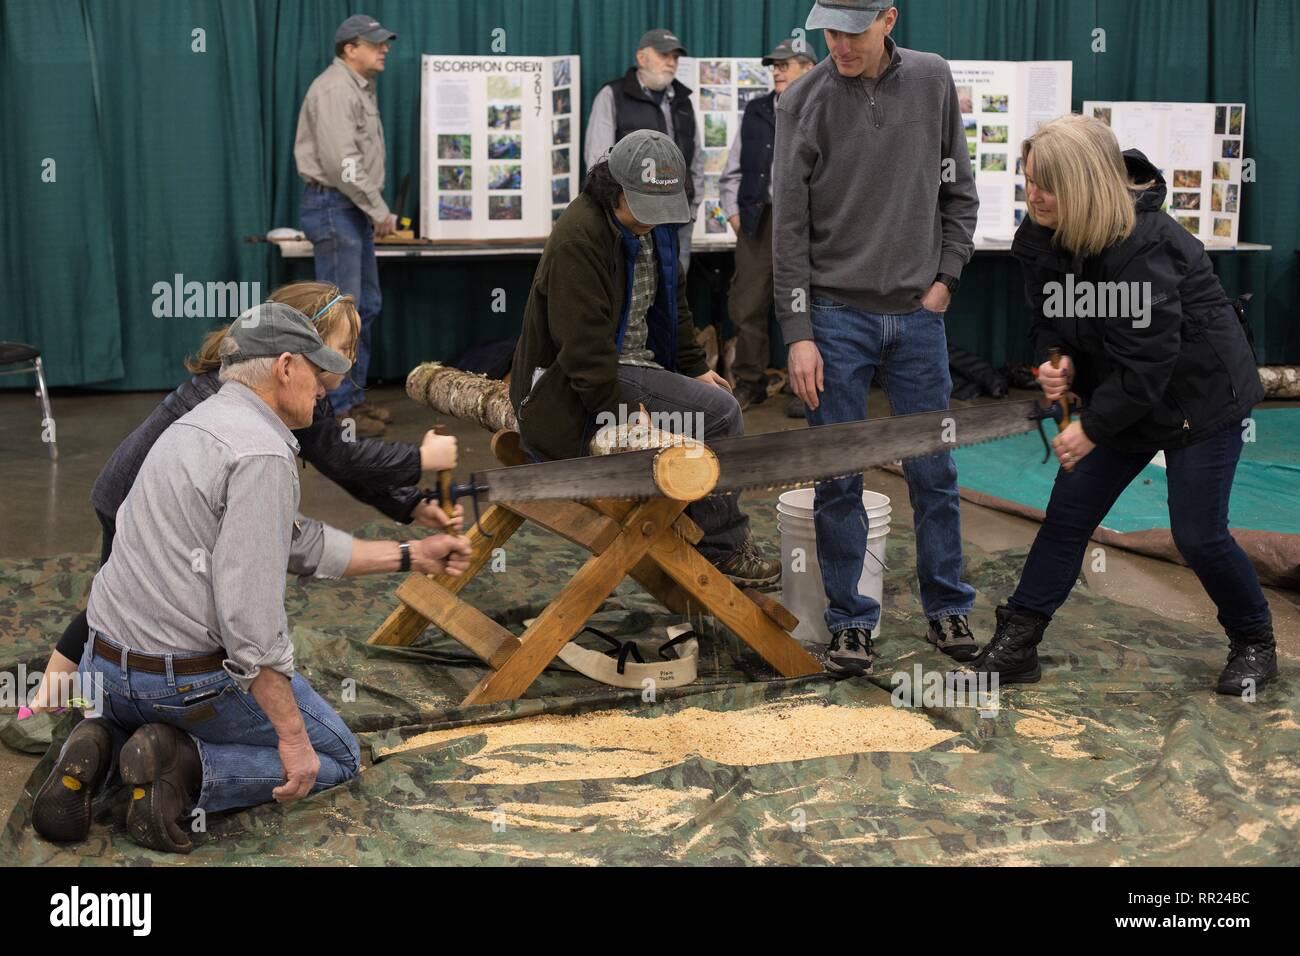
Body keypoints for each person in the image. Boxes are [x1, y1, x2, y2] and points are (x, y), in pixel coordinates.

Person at [31, 303, 473, 853]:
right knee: (335, 756)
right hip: (176, 685)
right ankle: (184, 766)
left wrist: (413, 554)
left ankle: (102, 739)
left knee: (170, 693)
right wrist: (292, 738)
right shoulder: (261, 453)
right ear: (285, 367)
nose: (323, 390)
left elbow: (297, 542)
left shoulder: (193, 421)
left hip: (106, 671)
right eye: (316, 372)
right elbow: (251, 626)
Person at [21, 281, 461, 720]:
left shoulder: (274, 380)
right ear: (296, 349)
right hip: (133, 499)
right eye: (344, 347)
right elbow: (342, 457)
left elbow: (333, 457)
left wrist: (410, 504)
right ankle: (65, 703)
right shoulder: (261, 387)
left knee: (121, 600)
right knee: (119, 603)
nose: (350, 359)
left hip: (132, 492)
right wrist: (420, 458)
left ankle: (76, 698)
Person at [969, 115, 1274, 696]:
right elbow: (1048, 319)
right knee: (1067, 516)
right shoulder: (1038, 236)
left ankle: (1255, 640)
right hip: (1124, 390)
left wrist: (1090, 430)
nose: (1033, 195)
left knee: (1198, 534)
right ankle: (1019, 643)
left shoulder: (1146, 245)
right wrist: (1054, 360)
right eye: (1028, 180)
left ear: (1084, 185)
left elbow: (1150, 363)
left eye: (1047, 185)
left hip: (1198, 398)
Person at [773, 0, 981, 674]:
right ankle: (851, 623)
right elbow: (789, 228)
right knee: (838, 478)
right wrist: (800, 331)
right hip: (834, 317)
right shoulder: (802, 100)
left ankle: (948, 605)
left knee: (935, 471)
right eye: (828, 32)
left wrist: (945, 278)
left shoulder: (932, 79)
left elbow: (959, 188)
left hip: (920, 315)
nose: (839, 45)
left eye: (852, 32)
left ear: (889, 20)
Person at [510, 129, 780, 588]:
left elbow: (671, 304)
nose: (653, 221)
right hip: (574, 386)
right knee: (720, 414)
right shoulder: (580, 238)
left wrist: (695, 366)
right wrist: (617, 412)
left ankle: (688, 524)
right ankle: (722, 547)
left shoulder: (654, 232)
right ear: (614, 191)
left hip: (631, 364)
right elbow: (581, 349)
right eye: (644, 209)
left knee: (711, 398)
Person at [294, 13, 397, 435]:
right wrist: (377, 209)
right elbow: (343, 165)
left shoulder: (357, 87)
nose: (383, 48)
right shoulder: (336, 88)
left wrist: (368, 209)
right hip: (337, 207)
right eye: (374, 43)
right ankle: (334, 411)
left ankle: (350, 399)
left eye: (383, 42)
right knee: (339, 318)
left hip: (348, 209)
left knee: (362, 308)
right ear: (349, 49)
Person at [718, 37, 818, 410]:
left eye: (785, 64)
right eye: (774, 65)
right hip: (759, 221)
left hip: (809, 224)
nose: (776, 70)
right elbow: (732, 171)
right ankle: (750, 381)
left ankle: (806, 387)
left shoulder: (825, 108)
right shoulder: (757, 110)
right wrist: (733, 213)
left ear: (809, 69)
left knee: (808, 301)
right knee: (747, 303)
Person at [585, 28, 705, 274]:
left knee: (672, 296)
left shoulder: (683, 101)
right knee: (632, 295)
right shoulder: (612, 95)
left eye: (675, 57)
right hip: (631, 221)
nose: (671, 62)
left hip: (677, 221)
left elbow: (697, 160)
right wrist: (621, 214)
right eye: (664, 55)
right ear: (641, 58)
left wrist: (692, 210)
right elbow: (598, 164)